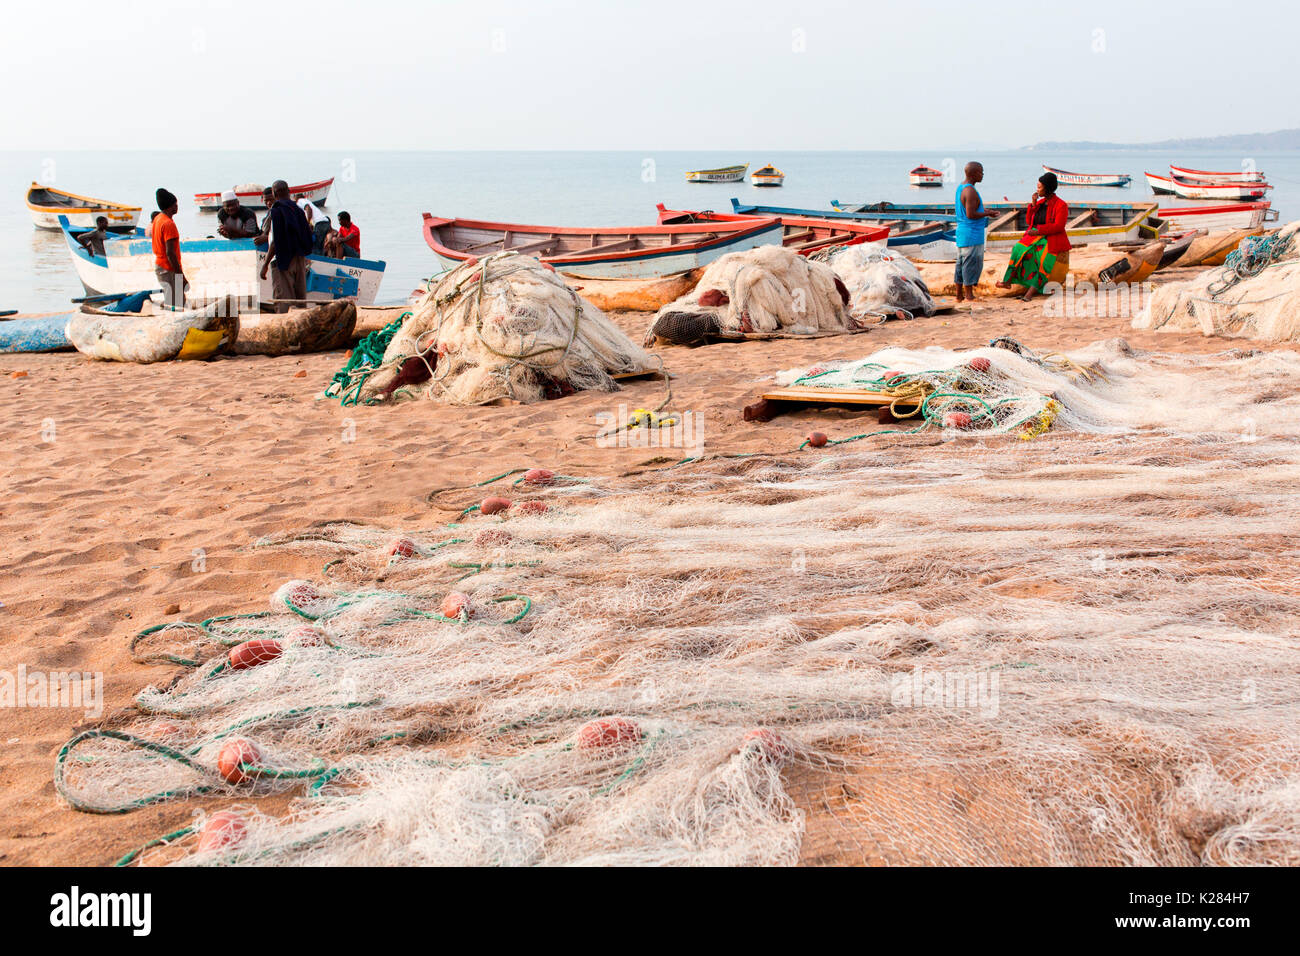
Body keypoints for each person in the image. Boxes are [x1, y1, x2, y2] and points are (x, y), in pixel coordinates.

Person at [997, 172, 1070, 302]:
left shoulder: (1061, 205)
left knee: (1043, 259)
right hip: (1035, 237)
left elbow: (1058, 226)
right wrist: (1033, 204)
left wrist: (1038, 231)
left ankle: (1029, 294)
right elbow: (1029, 221)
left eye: (1039, 187)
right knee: (1018, 249)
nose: (1037, 189)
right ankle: (1007, 281)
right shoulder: (1040, 203)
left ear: (1047, 188)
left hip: (1051, 238)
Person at [259, 180, 313, 312]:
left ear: (274, 193)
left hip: (282, 260)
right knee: (300, 299)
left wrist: (265, 264)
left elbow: (275, 241)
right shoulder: (298, 210)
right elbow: (307, 234)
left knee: (283, 300)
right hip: (299, 258)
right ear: (288, 191)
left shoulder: (276, 211)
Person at [953, 162, 998, 303]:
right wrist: (986, 215)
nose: (983, 174)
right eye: (981, 172)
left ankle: (959, 295)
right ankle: (969, 296)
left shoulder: (961, 187)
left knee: (960, 264)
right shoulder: (970, 190)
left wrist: (986, 212)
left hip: (963, 232)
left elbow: (971, 210)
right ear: (973, 174)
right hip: (971, 233)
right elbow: (971, 214)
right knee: (970, 264)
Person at [152, 188, 187, 309]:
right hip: (168, 267)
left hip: (160, 265)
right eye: (175, 204)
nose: (177, 207)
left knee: (176, 299)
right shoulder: (168, 224)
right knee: (176, 303)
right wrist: (180, 276)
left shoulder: (158, 219)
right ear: (170, 206)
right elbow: (170, 253)